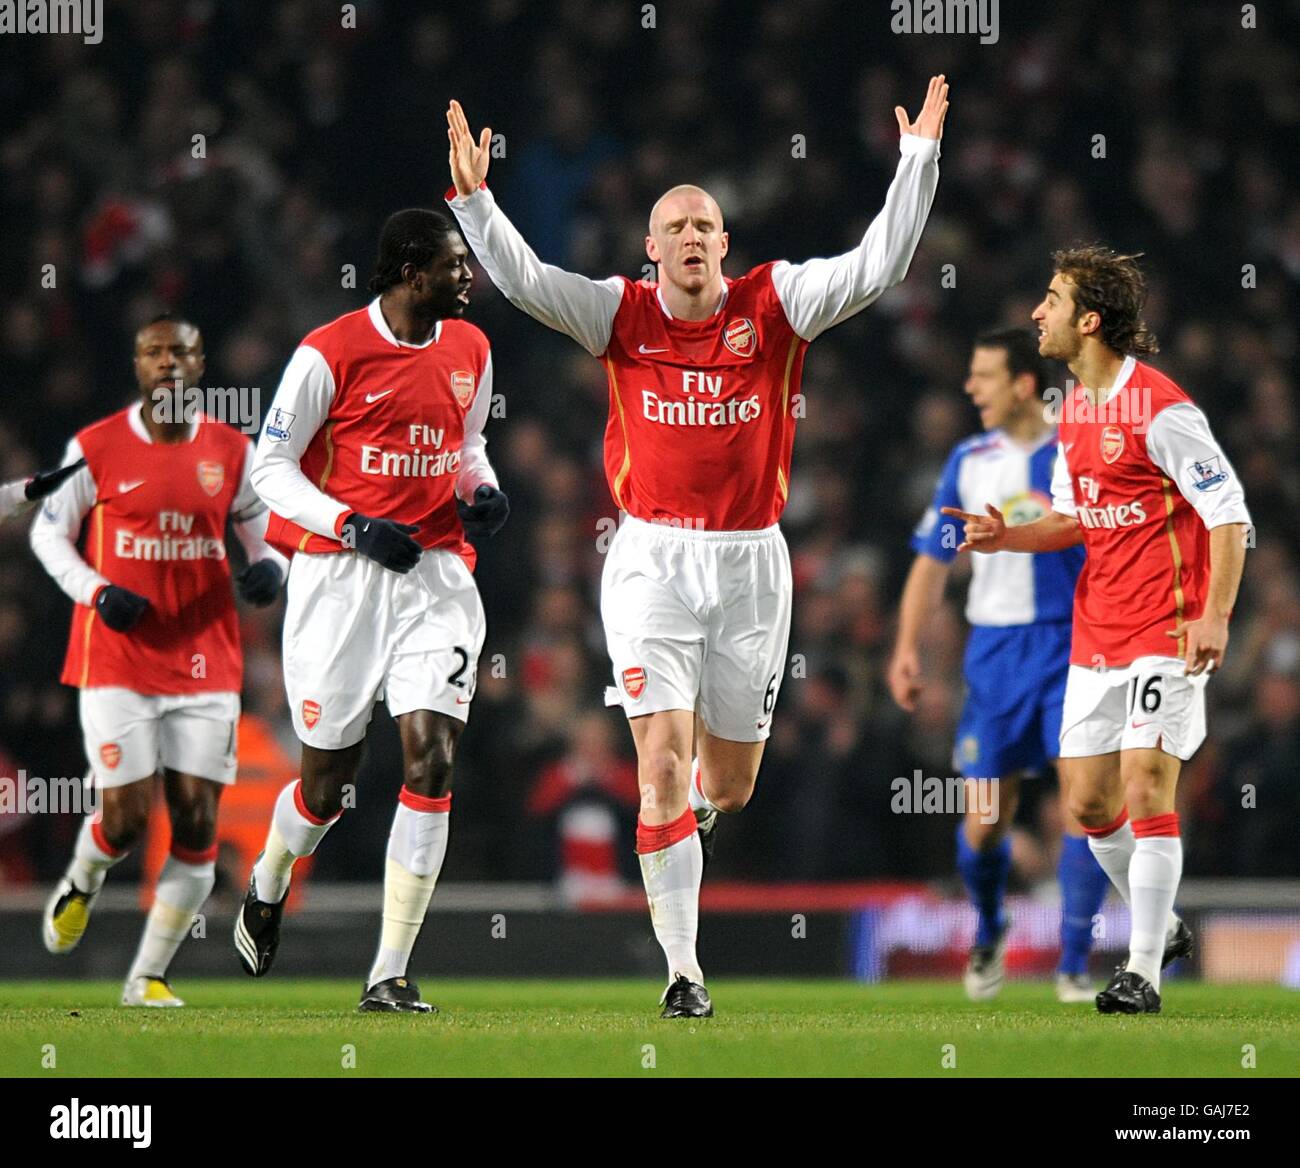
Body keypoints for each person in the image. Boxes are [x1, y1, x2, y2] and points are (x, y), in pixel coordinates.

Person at [445, 76, 949, 1017]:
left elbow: (878, 266)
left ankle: (691, 823)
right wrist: (475, 201)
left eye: (702, 226)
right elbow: (524, 282)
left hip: (755, 564)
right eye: (672, 226)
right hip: (650, 563)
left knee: (729, 782)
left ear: (725, 244)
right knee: (662, 763)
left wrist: (916, 160)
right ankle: (685, 970)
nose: (687, 238)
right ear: (650, 249)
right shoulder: (620, 314)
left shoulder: (777, 303)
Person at [944, 246, 1251, 1013]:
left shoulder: (1163, 410)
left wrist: (1214, 614)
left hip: (1167, 628)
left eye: (1051, 299)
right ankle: (1165, 925)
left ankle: (1141, 972)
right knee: (1085, 807)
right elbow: (1074, 518)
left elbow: (1228, 513)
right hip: (1095, 635)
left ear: (1089, 320)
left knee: (1147, 783)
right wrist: (1006, 536)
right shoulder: (1072, 409)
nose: (1036, 313)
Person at [232, 208, 509, 1014]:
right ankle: (271, 875)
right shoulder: (329, 353)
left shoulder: (472, 349)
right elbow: (269, 470)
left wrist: (480, 492)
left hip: (436, 575)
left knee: (431, 759)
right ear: (411, 272)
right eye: (457, 265)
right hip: (338, 582)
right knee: (326, 783)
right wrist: (350, 523)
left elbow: (467, 445)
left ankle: (387, 971)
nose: (470, 277)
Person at [31, 314, 285, 1007]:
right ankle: (83, 879)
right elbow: (49, 534)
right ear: (138, 365)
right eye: (154, 351)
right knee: (126, 815)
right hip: (117, 656)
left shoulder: (232, 450)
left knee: (198, 820)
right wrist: (97, 590)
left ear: (200, 366)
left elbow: (264, 537)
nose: (168, 362)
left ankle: (147, 977)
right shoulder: (97, 446)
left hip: (206, 658)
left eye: (181, 352)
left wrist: (268, 571)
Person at [888, 327, 1107, 1004]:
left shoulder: (1077, 448)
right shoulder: (970, 459)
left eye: (983, 376)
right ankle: (989, 927)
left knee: (1085, 803)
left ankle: (1073, 960)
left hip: (1072, 647)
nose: (970, 388)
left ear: (1020, 383)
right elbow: (933, 558)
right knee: (985, 820)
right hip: (995, 657)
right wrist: (905, 647)